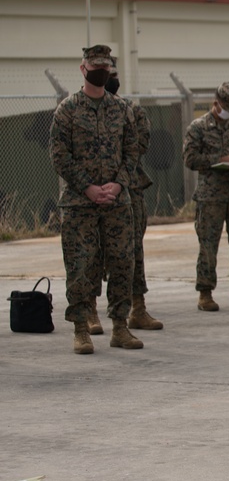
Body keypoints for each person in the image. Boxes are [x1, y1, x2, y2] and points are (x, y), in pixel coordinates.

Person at [49, 44, 142, 354]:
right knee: (80, 264)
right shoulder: (68, 110)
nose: (101, 71)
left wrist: (117, 184)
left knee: (121, 263)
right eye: (95, 66)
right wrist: (88, 186)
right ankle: (81, 329)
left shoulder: (121, 109)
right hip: (78, 203)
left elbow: (132, 151)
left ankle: (120, 327)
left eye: (106, 66)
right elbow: (59, 156)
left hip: (116, 201)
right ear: (83, 69)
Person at [86, 57, 163, 335]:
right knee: (91, 251)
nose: (110, 78)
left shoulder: (131, 110)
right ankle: (92, 312)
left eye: (113, 73)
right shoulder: (78, 108)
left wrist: (116, 179)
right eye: (106, 72)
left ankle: (137, 308)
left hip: (128, 188)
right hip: (90, 191)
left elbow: (138, 145)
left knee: (132, 252)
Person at [182, 82, 229, 311]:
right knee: (208, 245)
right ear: (217, 102)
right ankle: (205, 293)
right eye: (227, 105)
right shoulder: (198, 127)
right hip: (210, 196)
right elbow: (190, 159)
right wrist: (220, 160)